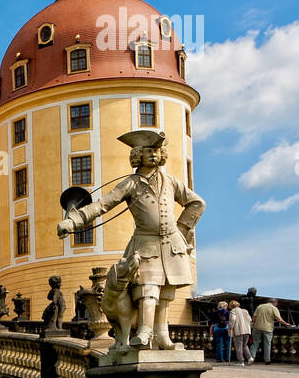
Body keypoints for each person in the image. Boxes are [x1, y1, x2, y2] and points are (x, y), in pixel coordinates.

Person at [57, 129, 204, 349]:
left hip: (171, 243)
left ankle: (162, 334)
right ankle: (145, 330)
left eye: (156, 151)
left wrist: (181, 231)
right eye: (147, 151)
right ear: (137, 155)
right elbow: (102, 205)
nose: (153, 155)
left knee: (166, 291)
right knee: (147, 289)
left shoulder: (170, 181)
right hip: (146, 243)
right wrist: (73, 221)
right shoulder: (131, 183)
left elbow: (197, 203)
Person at [251, 298, 290, 364]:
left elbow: (254, 317)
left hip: (257, 327)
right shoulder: (274, 308)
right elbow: (279, 319)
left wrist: (254, 324)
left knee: (255, 343)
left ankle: (251, 358)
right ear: (274, 303)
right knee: (267, 344)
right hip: (268, 328)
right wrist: (286, 323)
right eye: (276, 304)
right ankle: (267, 360)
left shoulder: (260, 306)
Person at [227, 300, 253, 366]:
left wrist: (230, 328)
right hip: (247, 330)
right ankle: (250, 358)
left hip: (238, 330)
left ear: (231, 306)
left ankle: (241, 361)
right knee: (245, 345)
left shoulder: (233, 311)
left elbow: (232, 320)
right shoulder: (245, 311)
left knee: (238, 346)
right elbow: (250, 320)